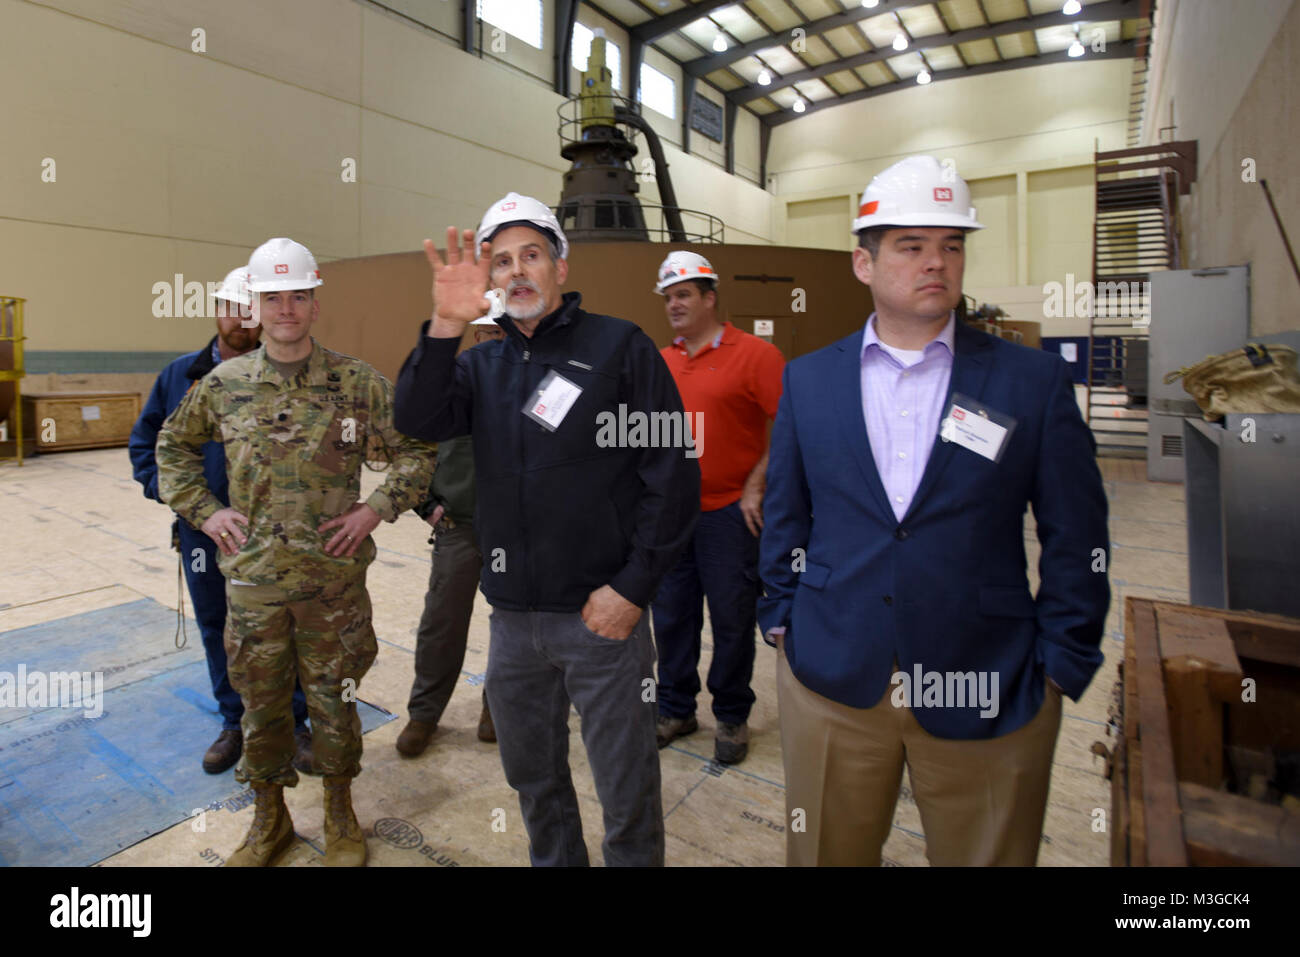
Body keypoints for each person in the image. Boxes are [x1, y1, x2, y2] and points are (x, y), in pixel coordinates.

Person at [758, 155, 1110, 866]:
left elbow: (1077, 532)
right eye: (912, 246)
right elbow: (786, 512)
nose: (936, 263)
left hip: (991, 681)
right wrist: (781, 617)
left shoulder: (1030, 382)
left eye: (952, 245)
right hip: (833, 679)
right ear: (864, 262)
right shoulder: (811, 380)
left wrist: (1060, 662)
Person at [394, 193, 699, 866]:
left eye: (532, 254)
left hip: (602, 618)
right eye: (500, 261)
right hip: (512, 624)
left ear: (561, 264)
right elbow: (416, 418)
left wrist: (632, 589)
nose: (517, 271)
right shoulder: (480, 366)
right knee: (535, 782)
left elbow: (672, 476)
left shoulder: (620, 346)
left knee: (627, 790)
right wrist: (446, 320)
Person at [156, 237, 435, 867]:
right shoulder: (223, 384)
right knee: (260, 705)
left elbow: (418, 451)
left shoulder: (356, 384)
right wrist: (207, 511)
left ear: (314, 304)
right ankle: (269, 821)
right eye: (273, 296)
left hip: (331, 587)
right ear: (255, 305)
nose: (286, 308)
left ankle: (340, 814)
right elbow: (170, 449)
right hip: (254, 584)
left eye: (298, 296)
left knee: (335, 704)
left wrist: (375, 509)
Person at [128, 268, 313, 775]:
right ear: (216, 310)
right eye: (232, 307)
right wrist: (185, 504)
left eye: (251, 309)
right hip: (202, 534)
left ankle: (295, 723)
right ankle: (235, 721)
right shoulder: (180, 376)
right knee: (217, 626)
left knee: (284, 623)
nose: (242, 320)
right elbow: (148, 448)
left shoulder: (286, 373)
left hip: (275, 533)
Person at [650, 252, 784, 765]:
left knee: (732, 620)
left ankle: (731, 715)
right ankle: (676, 709)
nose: (674, 305)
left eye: (683, 294)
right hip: (674, 516)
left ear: (710, 297)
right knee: (673, 617)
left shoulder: (756, 357)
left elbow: (790, 425)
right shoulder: (663, 361)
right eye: (668, 297)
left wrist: (756, 484)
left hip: (731, 515)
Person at [396, 316, 504, 757]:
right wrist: (426, 504)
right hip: (458, 527)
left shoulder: (529, 384)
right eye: (489, 331)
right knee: (441, 623)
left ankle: (496, 708)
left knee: (512, 628)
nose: (494, 339)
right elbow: (416, 446)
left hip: (514, 534)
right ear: (476, 334)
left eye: (502, 330)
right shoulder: (451, 383)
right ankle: (424, 714)